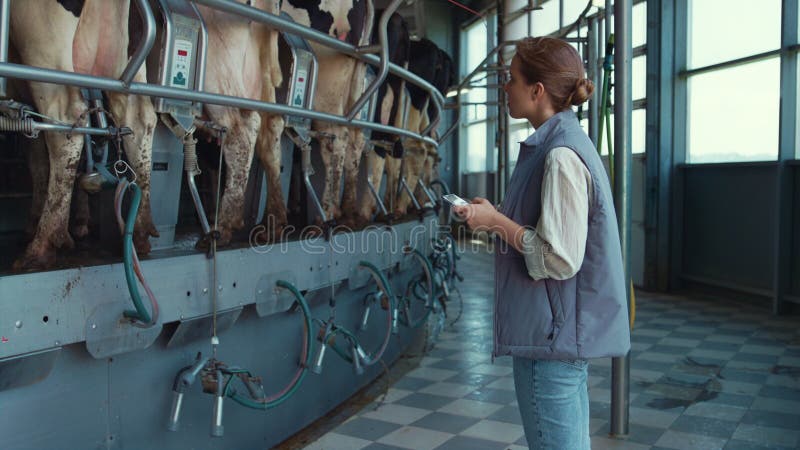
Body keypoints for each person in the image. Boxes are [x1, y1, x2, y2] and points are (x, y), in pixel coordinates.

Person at [452, 36, 630, 449]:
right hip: (556, 334)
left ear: (537, 91)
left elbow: (558, 258)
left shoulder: (560, 154)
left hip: (550, 341)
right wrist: (495, 215)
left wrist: (495, 222)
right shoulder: (559, 142)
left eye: (511, 80)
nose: (505, 88)